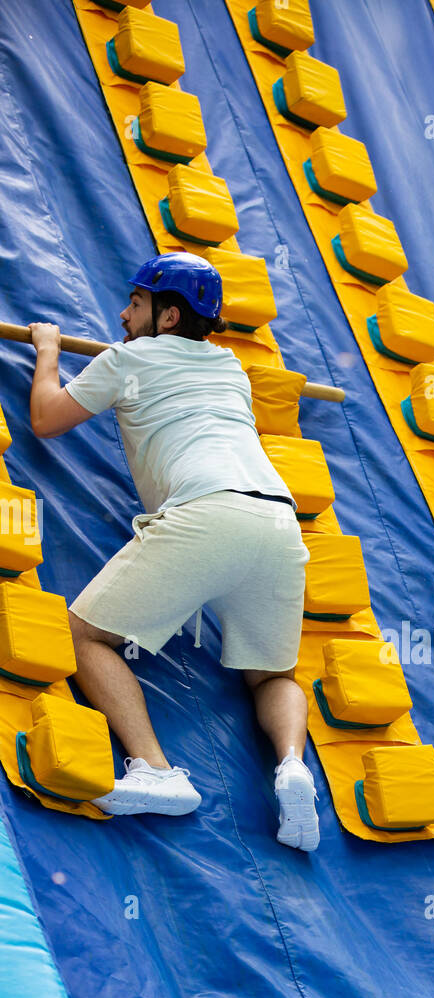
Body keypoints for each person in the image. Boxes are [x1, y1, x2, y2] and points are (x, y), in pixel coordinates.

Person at [28, 251, 319, 851]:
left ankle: (156, 769)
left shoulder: (127, 357)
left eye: (135, 303)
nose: (122, 313)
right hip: (279, 523)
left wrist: (49, 350)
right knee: (274, 675)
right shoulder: (231, 367)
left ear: (166, 316)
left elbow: (46, 418)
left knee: (84, 636)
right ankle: (292, 765)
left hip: (208, 514)